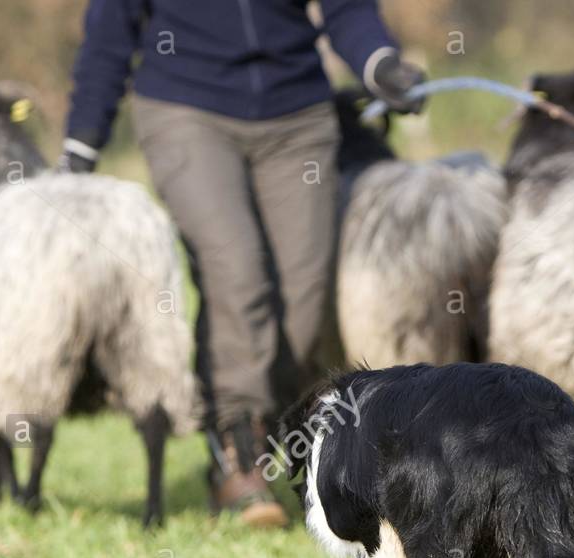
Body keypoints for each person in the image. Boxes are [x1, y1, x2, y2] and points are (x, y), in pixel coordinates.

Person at [61, 1, 425, 527]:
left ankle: (284, 440)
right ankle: (237, 453)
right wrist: (81, 144)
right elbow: (110, 31)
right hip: (186, 111)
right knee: (236, 269)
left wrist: (379, 65)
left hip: (298, 116)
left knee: (306, 293)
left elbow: (347, 8)